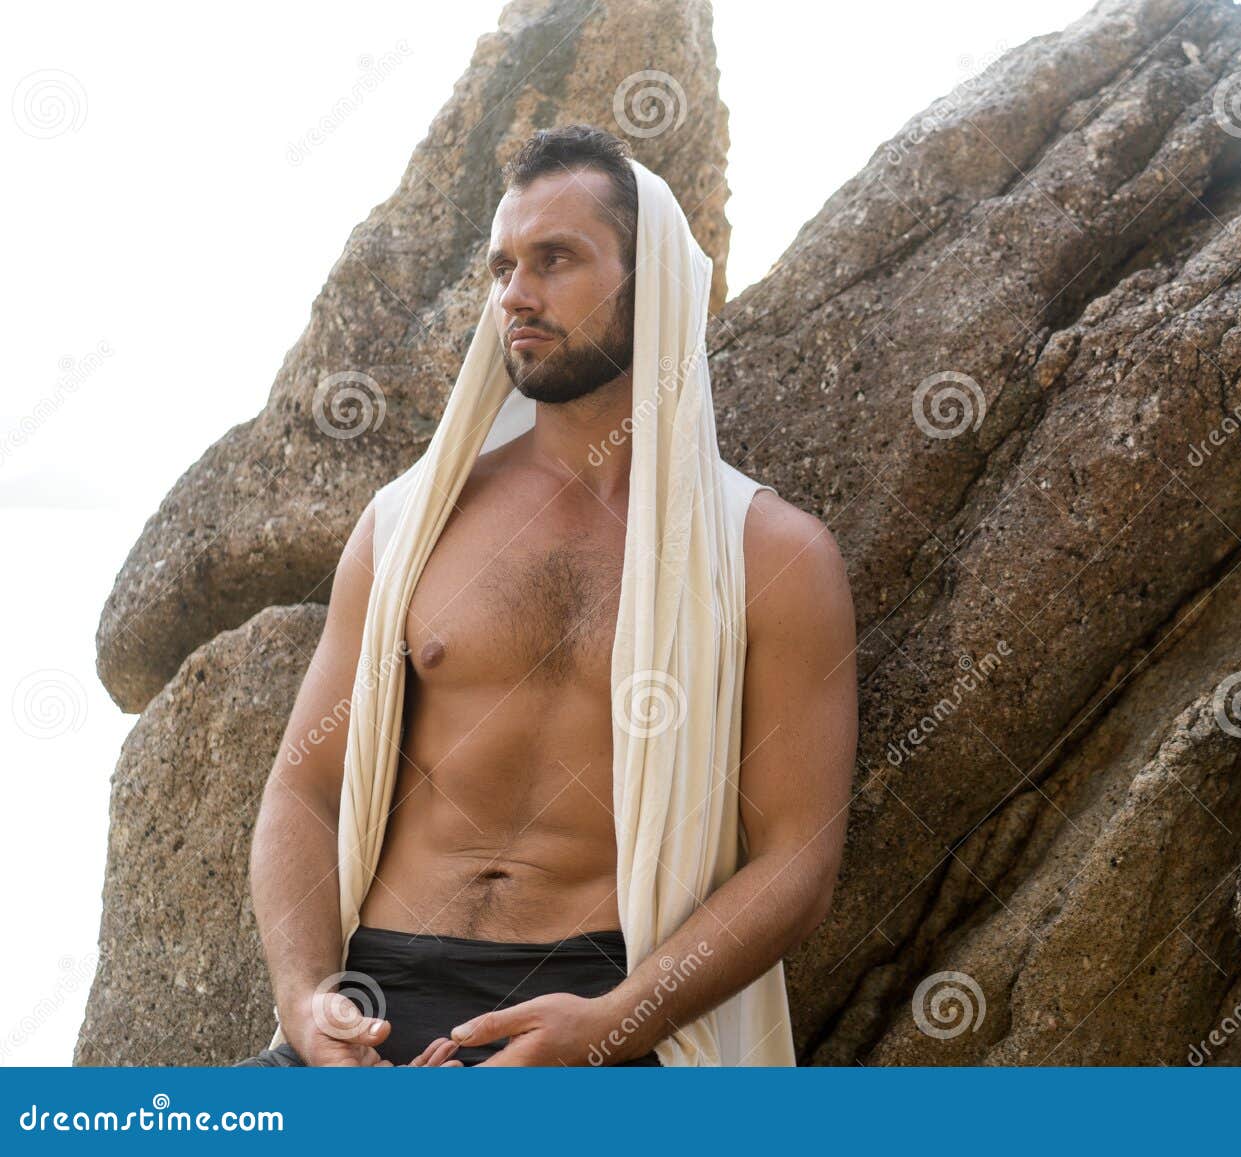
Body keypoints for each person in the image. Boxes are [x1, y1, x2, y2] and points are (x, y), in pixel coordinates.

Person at [237, 125, 857, 1067]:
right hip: (373, 1009)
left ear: (653, 283)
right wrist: (306, 997)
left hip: (603, 1016)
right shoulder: (409, 524)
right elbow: (305, 786)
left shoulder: (771, 555)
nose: (514, 295)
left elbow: (798, 864)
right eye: (502, 267)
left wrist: (614, 1024)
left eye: (555, 259)